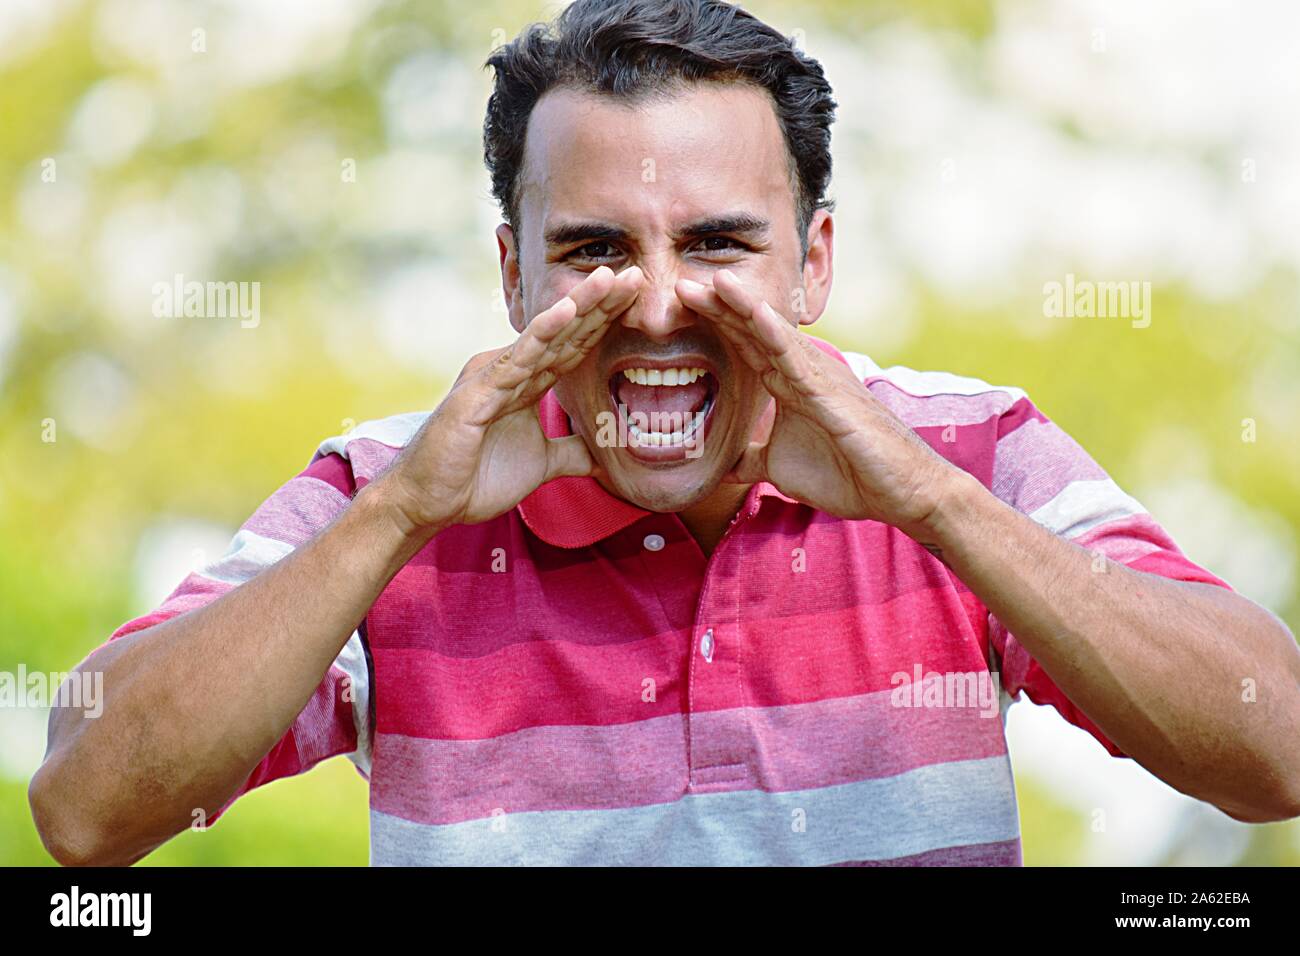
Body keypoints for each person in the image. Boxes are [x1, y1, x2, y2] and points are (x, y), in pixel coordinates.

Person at [30, 0, 1300, 866]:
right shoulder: (396, 489)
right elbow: (83, 812)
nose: (652, 305)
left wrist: (929, 505)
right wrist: (396, 520)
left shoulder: (963, 454)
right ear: (513, 275)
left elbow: (1273, 749)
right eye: (591, 248)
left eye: (715, 244)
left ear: (812, 262)